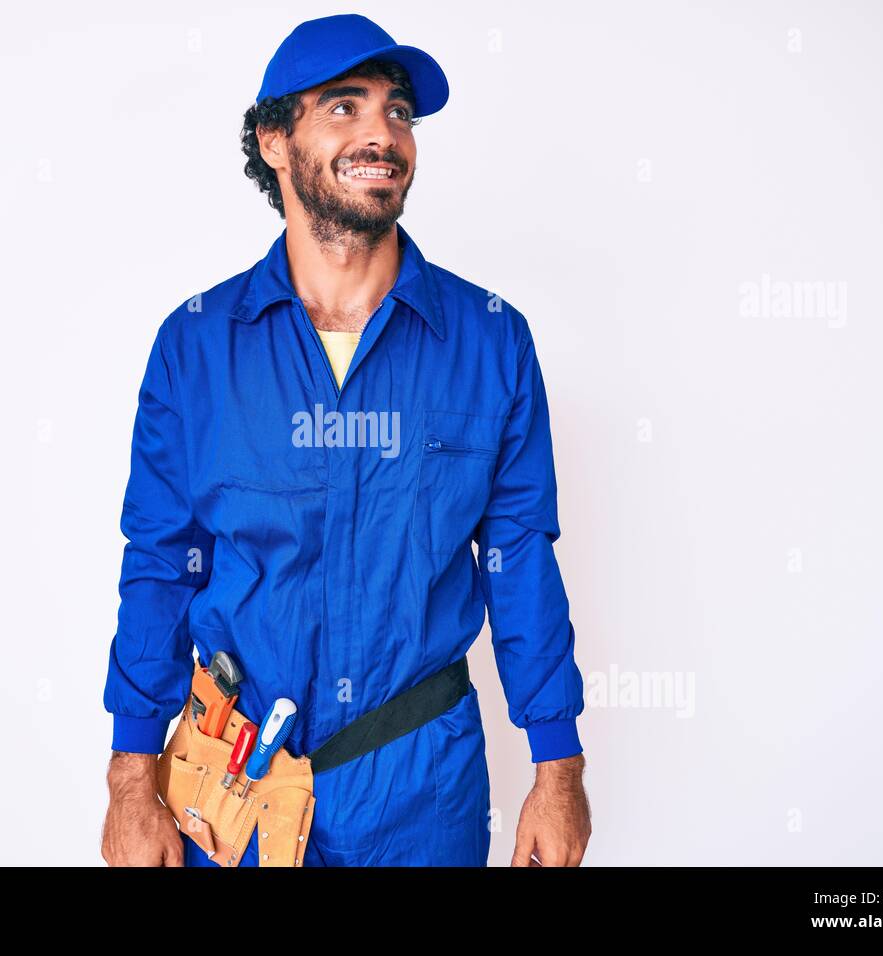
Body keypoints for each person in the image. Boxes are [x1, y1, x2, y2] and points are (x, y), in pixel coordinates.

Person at [100, 13, 591, 867]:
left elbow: (521, 558)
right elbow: (159, 560)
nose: (382, 132)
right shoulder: (197, 346)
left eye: (398, 110)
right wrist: (129, 782)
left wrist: (558, 769)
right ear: (275, 141)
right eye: (344, 106)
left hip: (422, 789)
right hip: (232, 789)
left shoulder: (489, 342)